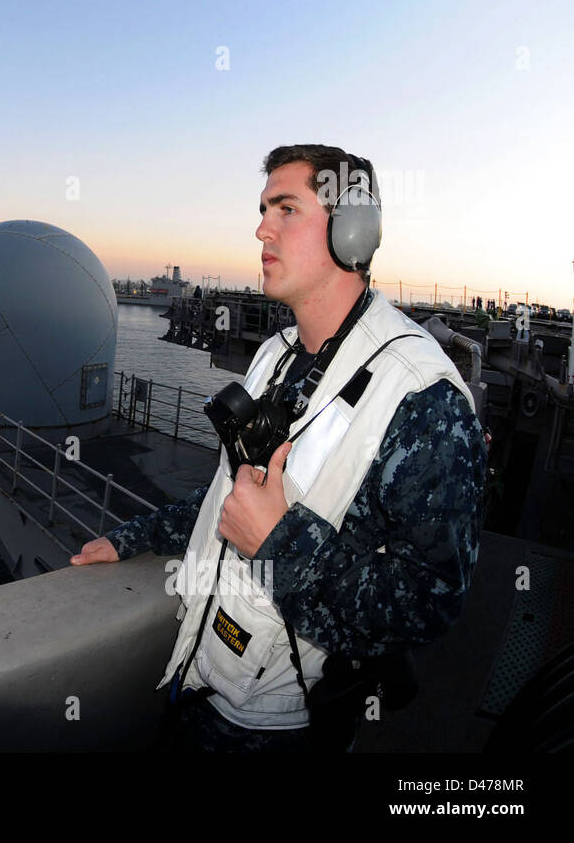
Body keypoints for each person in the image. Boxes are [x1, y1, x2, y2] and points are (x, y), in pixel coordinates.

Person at [73, 145, 487, 752]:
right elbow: (229, 498)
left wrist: (279, 540)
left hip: (282, 729)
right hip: (197, 678)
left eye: (286, 208)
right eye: (264, 209)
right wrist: (130, 539)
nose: (261, 228)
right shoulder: (276, 355)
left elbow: (430, 605)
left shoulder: (422, 396)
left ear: (353, 231)